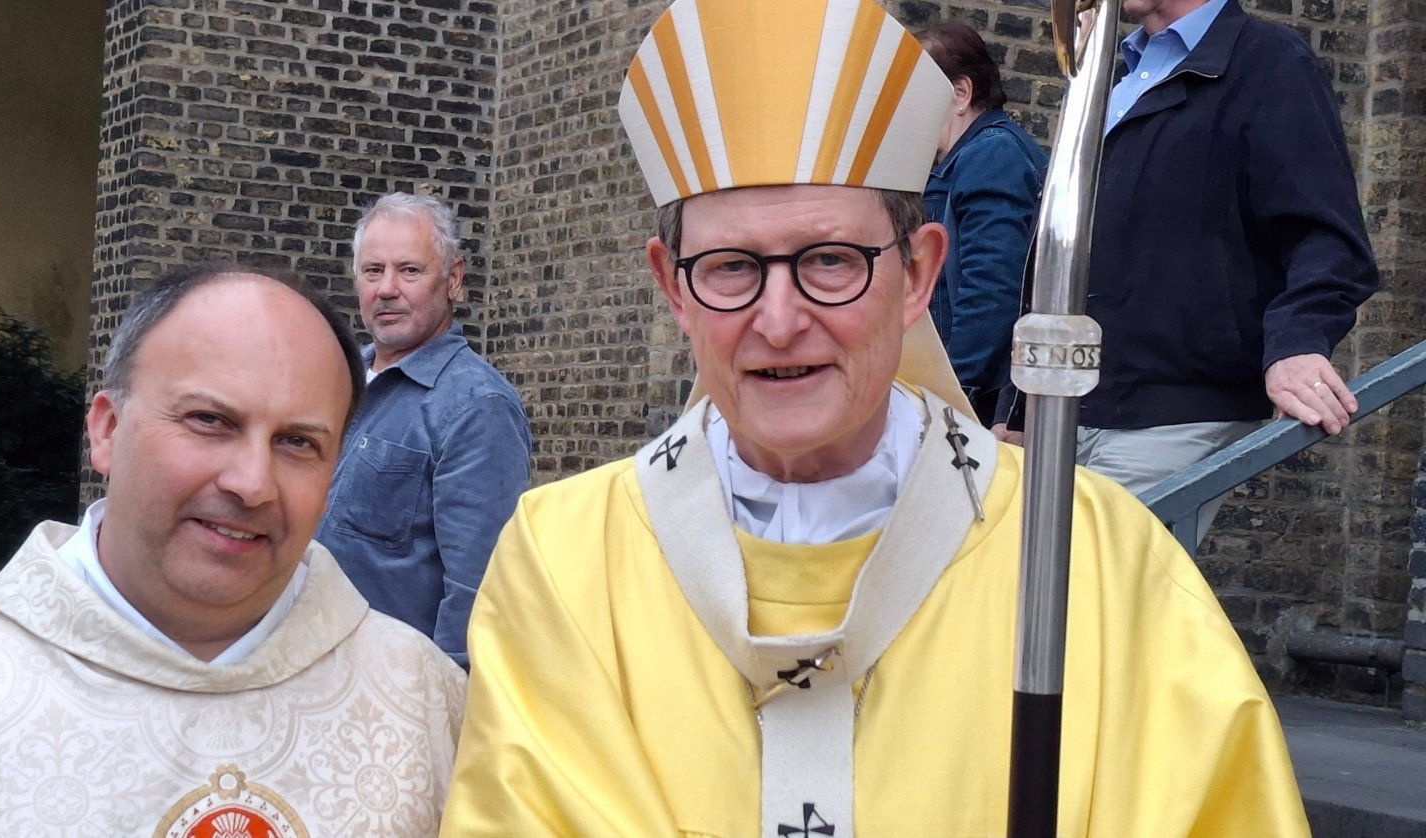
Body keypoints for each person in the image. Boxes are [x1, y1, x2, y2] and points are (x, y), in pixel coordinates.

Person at [441, 0, 1309, 835]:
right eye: (732, 267)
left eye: (829, 260)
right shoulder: (560, 560)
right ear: (673, 286)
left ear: (920, 274)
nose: (778, 321)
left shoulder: (1098, 559)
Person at [0, 265, 465, 836]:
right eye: (210, 421)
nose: (251, 484)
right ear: (105, 431)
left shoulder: (428, 705)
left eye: (298, 442)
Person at [1076, 0, 1378, 531]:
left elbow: (1323, 230)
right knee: (1027, 598)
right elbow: (1060, 245)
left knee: (1084, 598)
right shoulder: (1115, 73)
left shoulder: (1270, 61)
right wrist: (1019, 400)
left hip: (1172, 413)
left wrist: (1298, 341)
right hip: (1065, 406)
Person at [316, 192, 531, 669]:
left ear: (453, 280)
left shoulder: (477, 408)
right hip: (305, 672)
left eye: (409, 271)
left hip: (389, 693)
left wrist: (442, 709)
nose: (387, 288)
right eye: (373, 271)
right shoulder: (334, 383)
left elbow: (479, 591)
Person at [921, 21, 1048, 422]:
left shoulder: (991, 155)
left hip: (980, 399)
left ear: (960, 94)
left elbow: (991, 291)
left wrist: (950, 394)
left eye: (912, 95)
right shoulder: (957, 159)